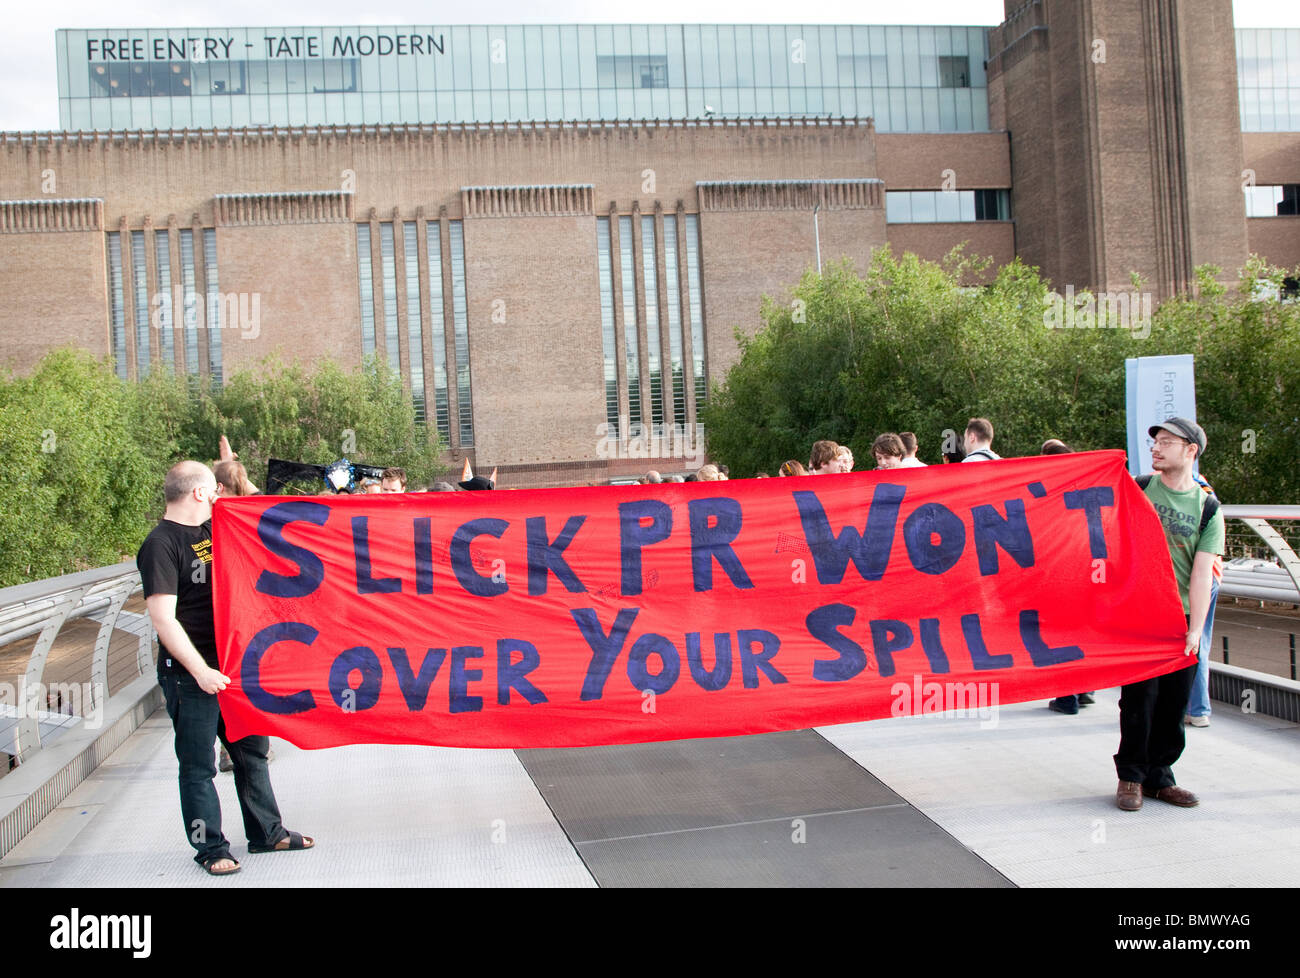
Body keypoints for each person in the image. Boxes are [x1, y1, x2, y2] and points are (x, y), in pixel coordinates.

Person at [138, 461, 313, 875]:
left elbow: (265, 511)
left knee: (251, 753)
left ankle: (267, 833)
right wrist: (200, 671)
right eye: (213, 489)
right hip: (192, 674)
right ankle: (210, 847)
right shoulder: (160, 544)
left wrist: (238, 471)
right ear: (198, 493)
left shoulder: (214, 529)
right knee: (199, 765)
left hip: (234, 669)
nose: (219, 494)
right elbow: (163, 618)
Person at [1114, 417, 1224, 811]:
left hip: (1179, 622)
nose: (1156, 449)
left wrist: (1195, 630)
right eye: (1155, 442)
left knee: (1173, 703)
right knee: (1139, 700)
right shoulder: (1139, 487)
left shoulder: (1207, 507)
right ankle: (1131, 776)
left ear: (1190, 451)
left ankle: (1161, 776)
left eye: (1166, 442)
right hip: (1140, 617)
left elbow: (1201, 572)